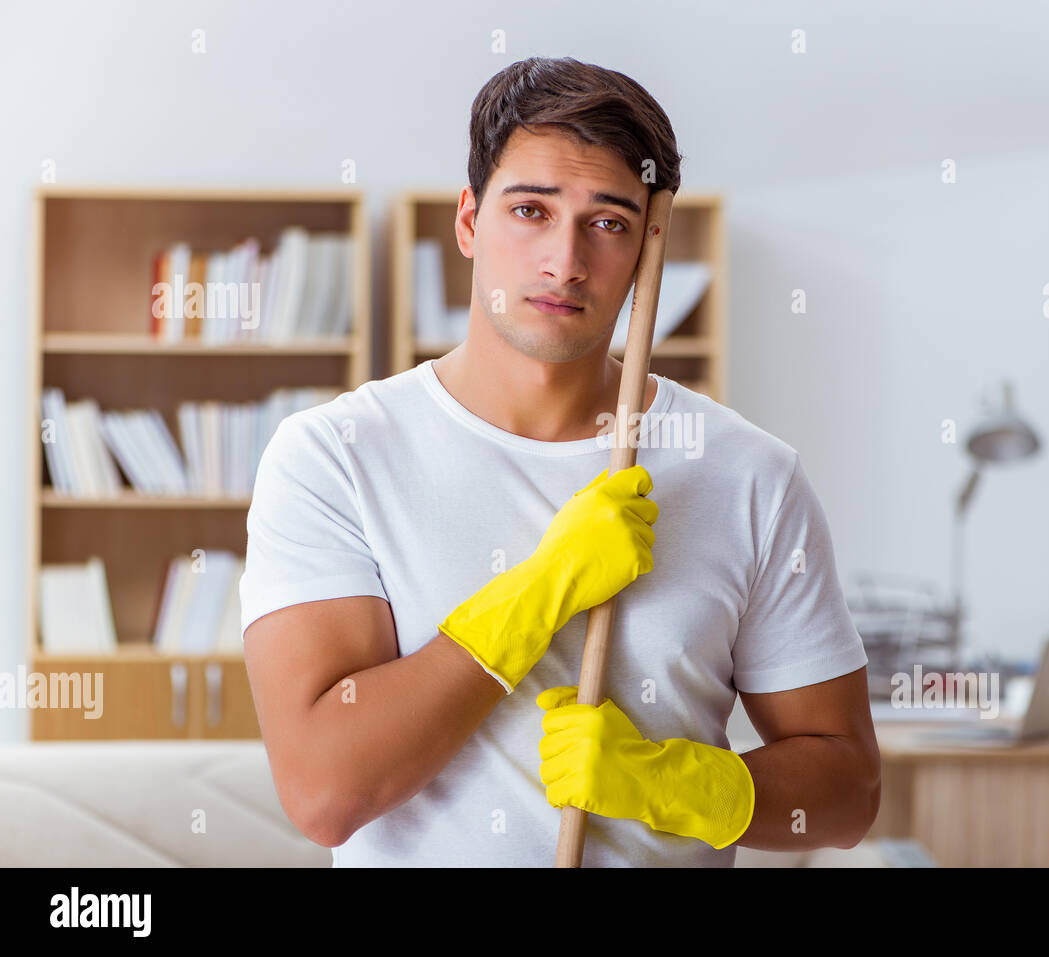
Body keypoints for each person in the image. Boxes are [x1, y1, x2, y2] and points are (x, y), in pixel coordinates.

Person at [240, 55, 880, 867]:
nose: (565, 260)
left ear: (650, 246)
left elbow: (849, 793)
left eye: (608, 222)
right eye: (531, 210)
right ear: (469, 221)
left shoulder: (750, 475)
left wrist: (674, 782)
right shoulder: (334, 458)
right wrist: (542, 589)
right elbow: (325, 790)